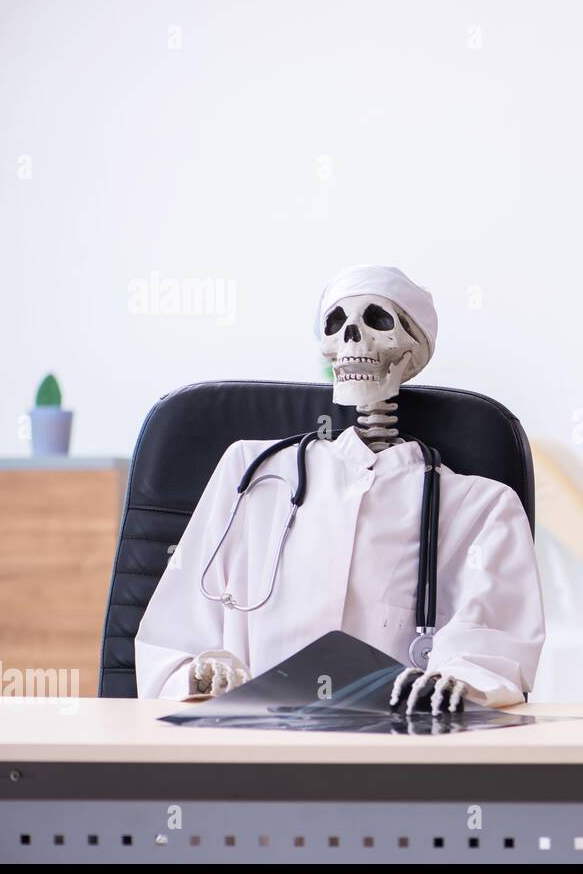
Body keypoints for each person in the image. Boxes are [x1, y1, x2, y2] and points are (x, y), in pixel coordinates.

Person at [134, 265, 545, 714]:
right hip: (251, 748)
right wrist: (196, 672)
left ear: (415, 349)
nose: (352, 337)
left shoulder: (482, 506)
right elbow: (173, 637)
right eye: (336, 325)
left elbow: (492, 647)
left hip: (398, 755)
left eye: (378, 322)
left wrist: (456, 681)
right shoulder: (251, 471)